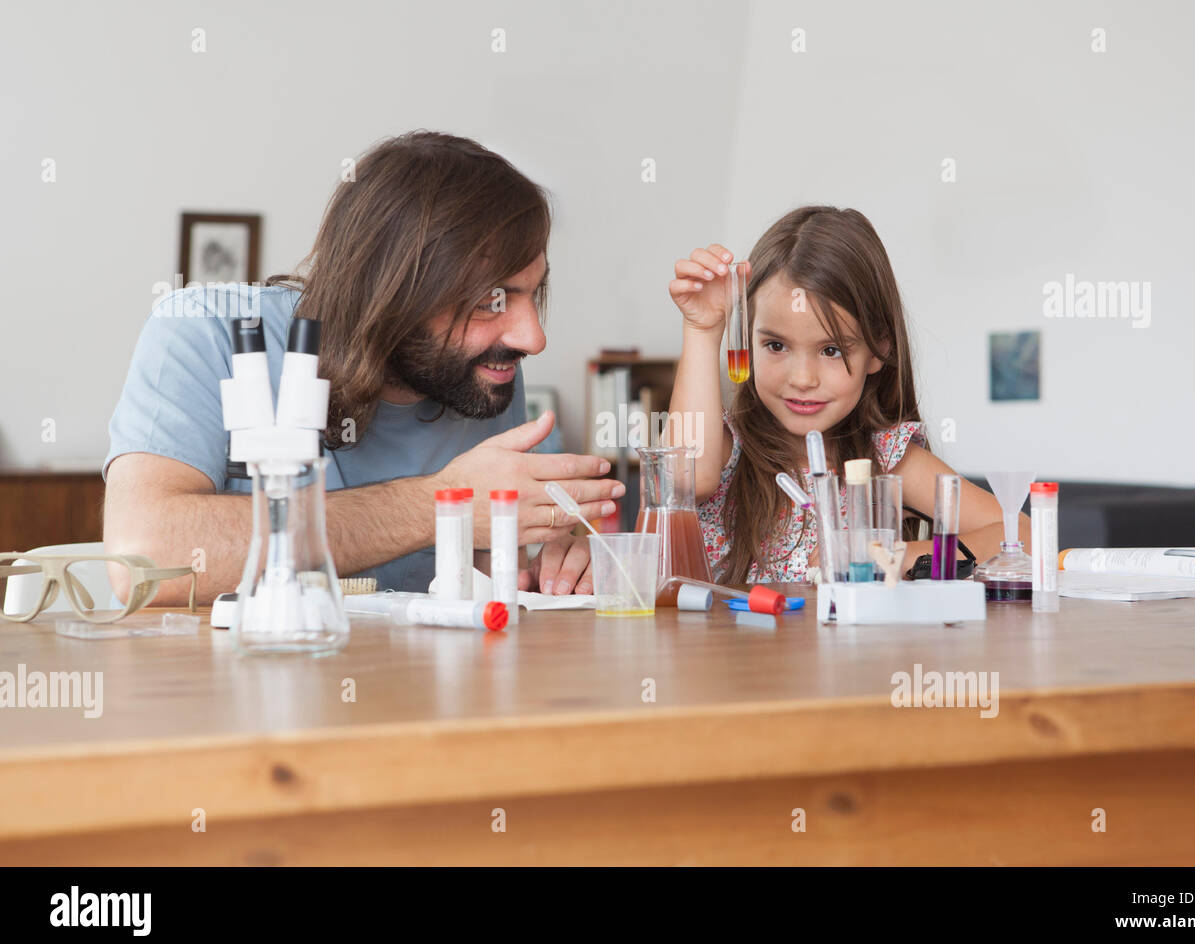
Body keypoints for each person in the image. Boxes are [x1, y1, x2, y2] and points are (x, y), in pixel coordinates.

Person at [103, 131, 621, 603]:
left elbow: (491, 577)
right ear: (391, 292)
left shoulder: (480, 369)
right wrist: (441, 504)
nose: (533, 338)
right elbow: (144, 557)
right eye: (492, 299)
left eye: (533, 294)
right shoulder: (206, 328)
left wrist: (551, 562)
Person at [665, 205, 1029, 585]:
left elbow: (1022, 535)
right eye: (775, 345)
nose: (802, 378)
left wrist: (891, 554)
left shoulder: (890, 461)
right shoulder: (726, 450)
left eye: (831, 350)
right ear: (746, 339)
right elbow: (679, 482)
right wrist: (702, 330)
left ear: (878, 349)